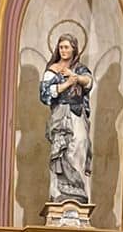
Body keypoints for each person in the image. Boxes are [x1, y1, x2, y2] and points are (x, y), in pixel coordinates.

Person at [39, 34, 93, 209]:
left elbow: (89, 82)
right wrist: (67, 83)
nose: (63, 50)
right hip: (60, 114)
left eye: (67, 47)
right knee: (61, 150)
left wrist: (75, 77)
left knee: (80, 144)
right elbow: (45, 94)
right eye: (61, 47)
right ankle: (59, 192)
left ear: (74, 49)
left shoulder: (80, 69)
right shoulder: (52, 70)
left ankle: (77, 190)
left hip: (77, 114)